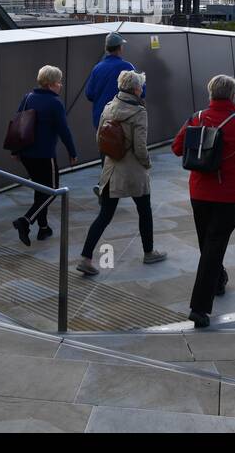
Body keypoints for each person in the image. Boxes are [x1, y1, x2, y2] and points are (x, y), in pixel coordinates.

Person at [170, 74, 235, 329]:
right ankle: (199, 307)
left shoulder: (197, 117)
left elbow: (176, 147)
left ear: (210, 93)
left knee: (208, 243)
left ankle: (218, 279)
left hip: (198, 192)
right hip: (227, 195)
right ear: (234, 96)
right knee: (214, 245)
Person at [76, 70, 166, 275]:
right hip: (133, 170)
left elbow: (99, 137)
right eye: (140, 87)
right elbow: (140, 147)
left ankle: (86, 257)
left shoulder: (108, 107)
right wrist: (147, 164)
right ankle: (149, 252)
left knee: (105, 215)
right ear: (136, 89)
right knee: (145, 211)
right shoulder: (139, 112)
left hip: (111, 169)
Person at [11, 65, 77, 247]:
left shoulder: (28, 97)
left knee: (40, 189)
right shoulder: (55, 103)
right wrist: (72, 152)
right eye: (59, 82)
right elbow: (64, 131)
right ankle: (26, 220)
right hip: (44, 155)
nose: (61, 85)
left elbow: (18, 122)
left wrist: (16, 150)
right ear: (50, 84)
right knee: (52, 190)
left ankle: (44, 227)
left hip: (26, 153)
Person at [84, 31, 143, 195]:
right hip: (123, 120)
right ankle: (108, 188)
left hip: (102, 119)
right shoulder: (126, 67)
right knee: (125, 156)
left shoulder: (97, 68)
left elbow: (89, 94)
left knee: (106, 153)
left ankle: (106, 189)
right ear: (120, 48)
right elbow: (141, 92)